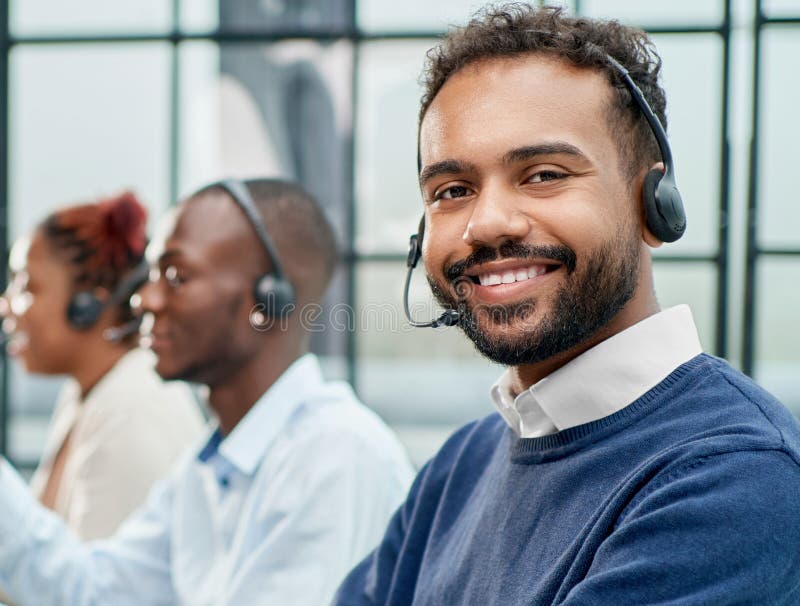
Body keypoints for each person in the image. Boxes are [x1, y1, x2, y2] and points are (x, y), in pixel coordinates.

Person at [335, 5, 800, 605]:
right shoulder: (461, 465)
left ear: (653, 205)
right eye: (452, 191)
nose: (487, 223)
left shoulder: (734, 475)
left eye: (543, 174)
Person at [0, 178, 414, 606]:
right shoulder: (206, 471)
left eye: (176, 276)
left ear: (269, 299)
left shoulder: (334, 457)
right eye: (153, 275)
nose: (144, 299)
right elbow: (92, 590)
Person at [0, 191, 203, 540]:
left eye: (27, 285)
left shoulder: (132, 412)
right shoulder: (89, 391)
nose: (7, 305)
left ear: (87, 307)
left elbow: (94, 590)